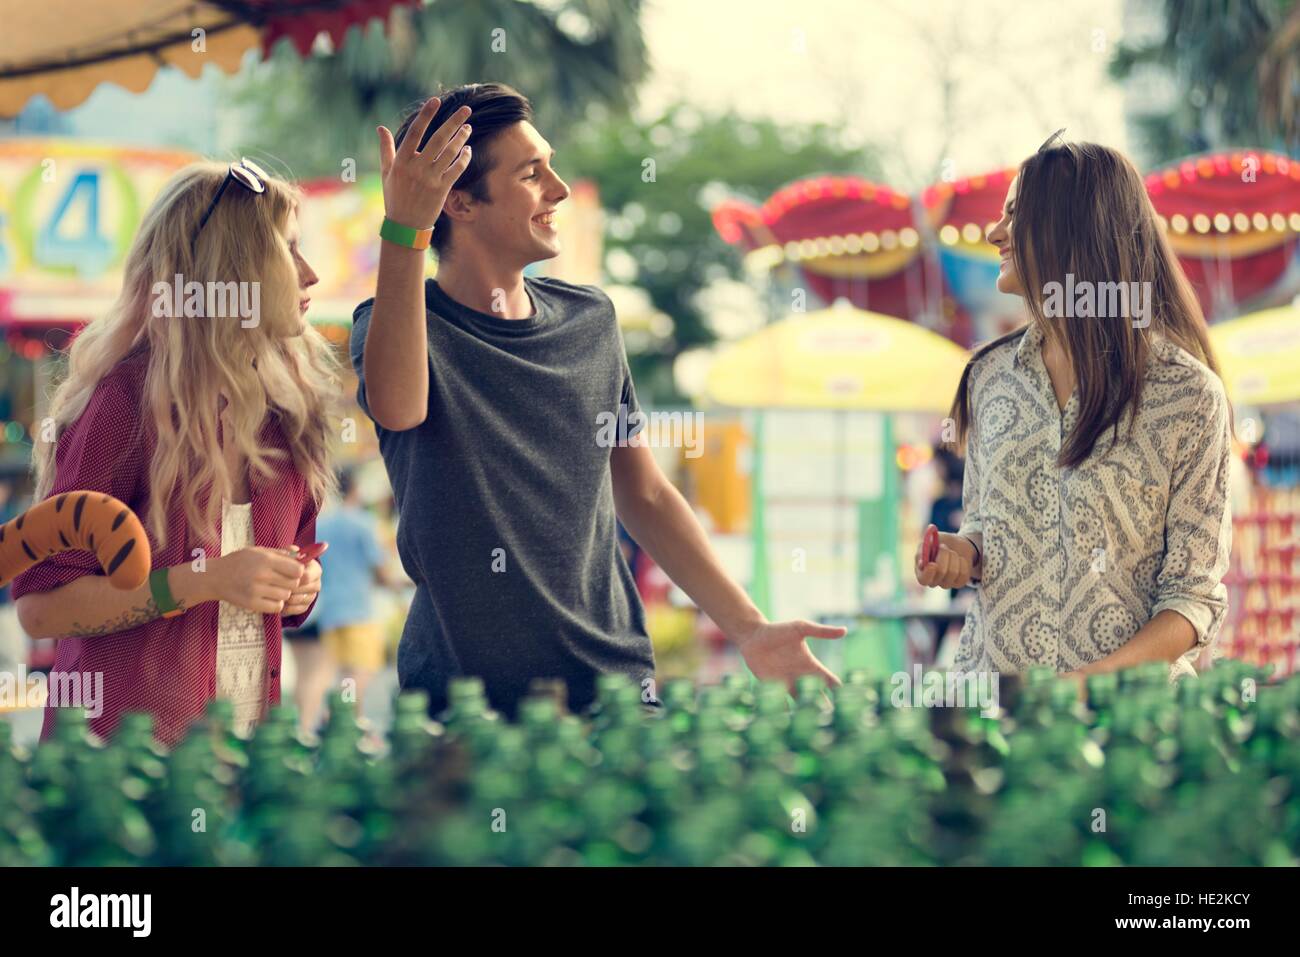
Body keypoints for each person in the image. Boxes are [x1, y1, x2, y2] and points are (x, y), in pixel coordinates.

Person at [352, 83, 844, 719]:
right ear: (460, 203)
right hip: (463, 706)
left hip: (615, 690)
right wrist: (403, 229)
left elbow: (645, 494)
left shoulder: (590, 319)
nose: (558, 190)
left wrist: (749, 628)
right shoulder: (399, 323)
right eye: (533, 175)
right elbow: (398, 408)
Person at [13, 159, 339, 745]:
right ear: (229, 270)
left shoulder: (290, 413)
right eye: (288, 251)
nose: (310, 274)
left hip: (242, 756)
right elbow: (42, 608)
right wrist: (205, 579)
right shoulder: (125, 401)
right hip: (119, 769)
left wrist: (298, 585)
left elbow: (272, 586)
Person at [915, 137, 1233, 685]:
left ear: (1073, 229)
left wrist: (1086, 685)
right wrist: (960, 553)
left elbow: (1192, 596)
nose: (994, 233)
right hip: (995, 715)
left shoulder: (1188, 396)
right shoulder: (988, 378)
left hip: (1130, 728)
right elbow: (988, 531)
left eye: (1015, 214)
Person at [310, 466, 400, 729]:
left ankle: (350, 724)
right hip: (359, 609)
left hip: (328, 609)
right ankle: (342, 717)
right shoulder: (364, 523)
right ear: (357, 489)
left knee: (343, 673)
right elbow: (381, 571)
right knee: (362, 670)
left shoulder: (323, 524)